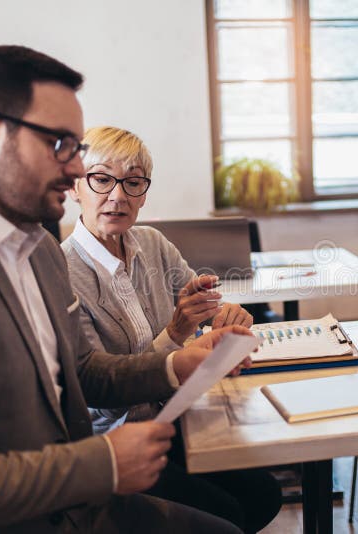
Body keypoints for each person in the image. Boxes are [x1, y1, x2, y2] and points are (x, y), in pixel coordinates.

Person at [0, 45, 249, 533]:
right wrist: (102, 464)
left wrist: (176, 364)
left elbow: (83, 370)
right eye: (60, 144)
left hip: (74, 506)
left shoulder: (38, 247)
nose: (73, 170)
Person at [61, 126, 280, 532]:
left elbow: (204, 302)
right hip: (119, 439)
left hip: (176, 416)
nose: (118, 195)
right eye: (102, 179)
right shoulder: (64, 272)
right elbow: (102, 397)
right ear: (76, 187)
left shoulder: (152, 243)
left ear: (144, 193)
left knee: (265, 495)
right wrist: (175, 334)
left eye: (133, 182)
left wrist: (226, 313)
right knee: (228, 513)